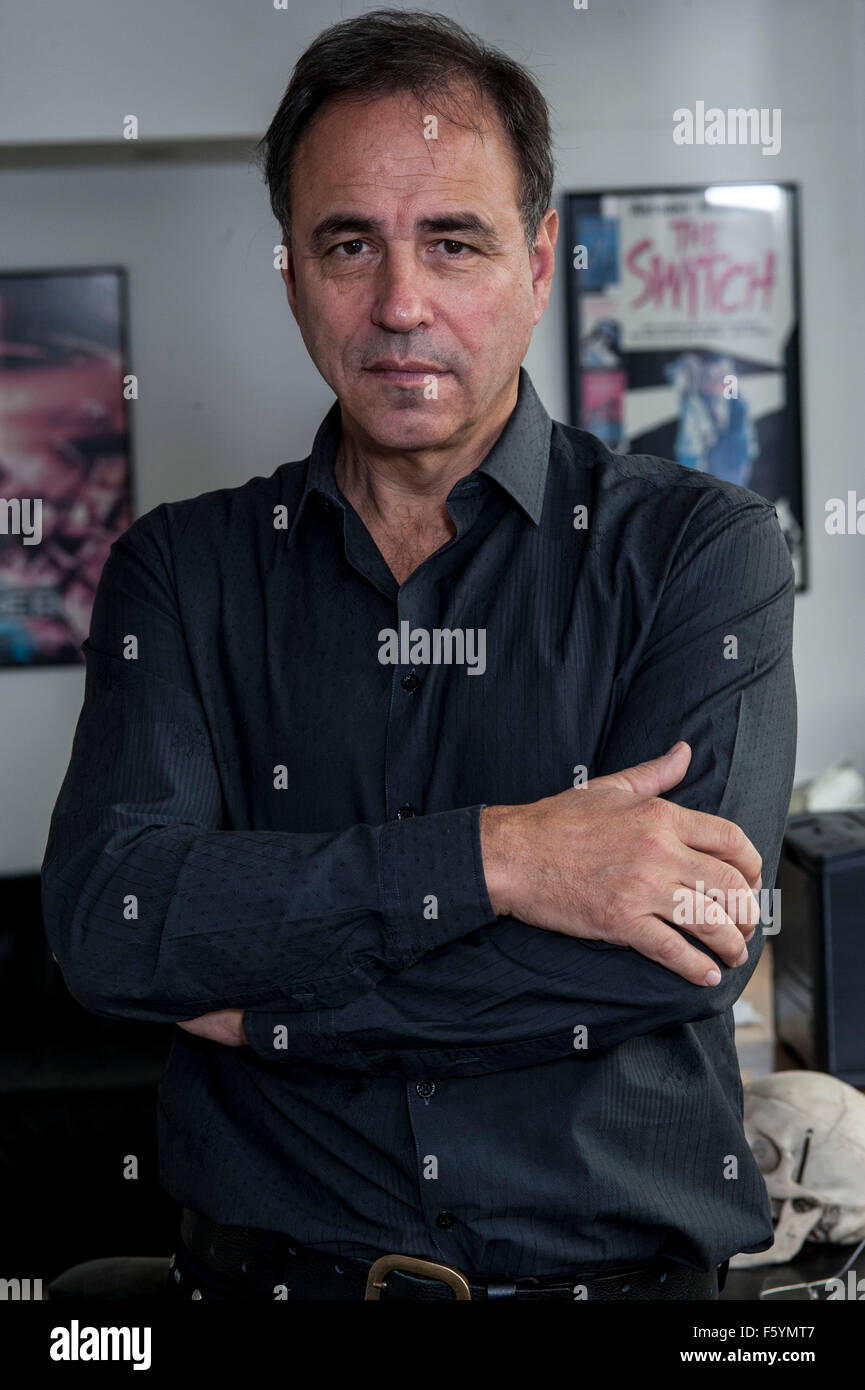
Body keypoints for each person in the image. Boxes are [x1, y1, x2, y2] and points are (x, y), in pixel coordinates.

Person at [41, 9, 796, 1302]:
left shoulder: (698, 551)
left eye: (453, 239)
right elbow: (116, 923)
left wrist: (275, 1008)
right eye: (349, 243)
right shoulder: (182, 568)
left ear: (541, 257)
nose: (399, 303)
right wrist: (500, 857)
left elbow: (681, 940)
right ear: (289, 269)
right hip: (260, 1291)